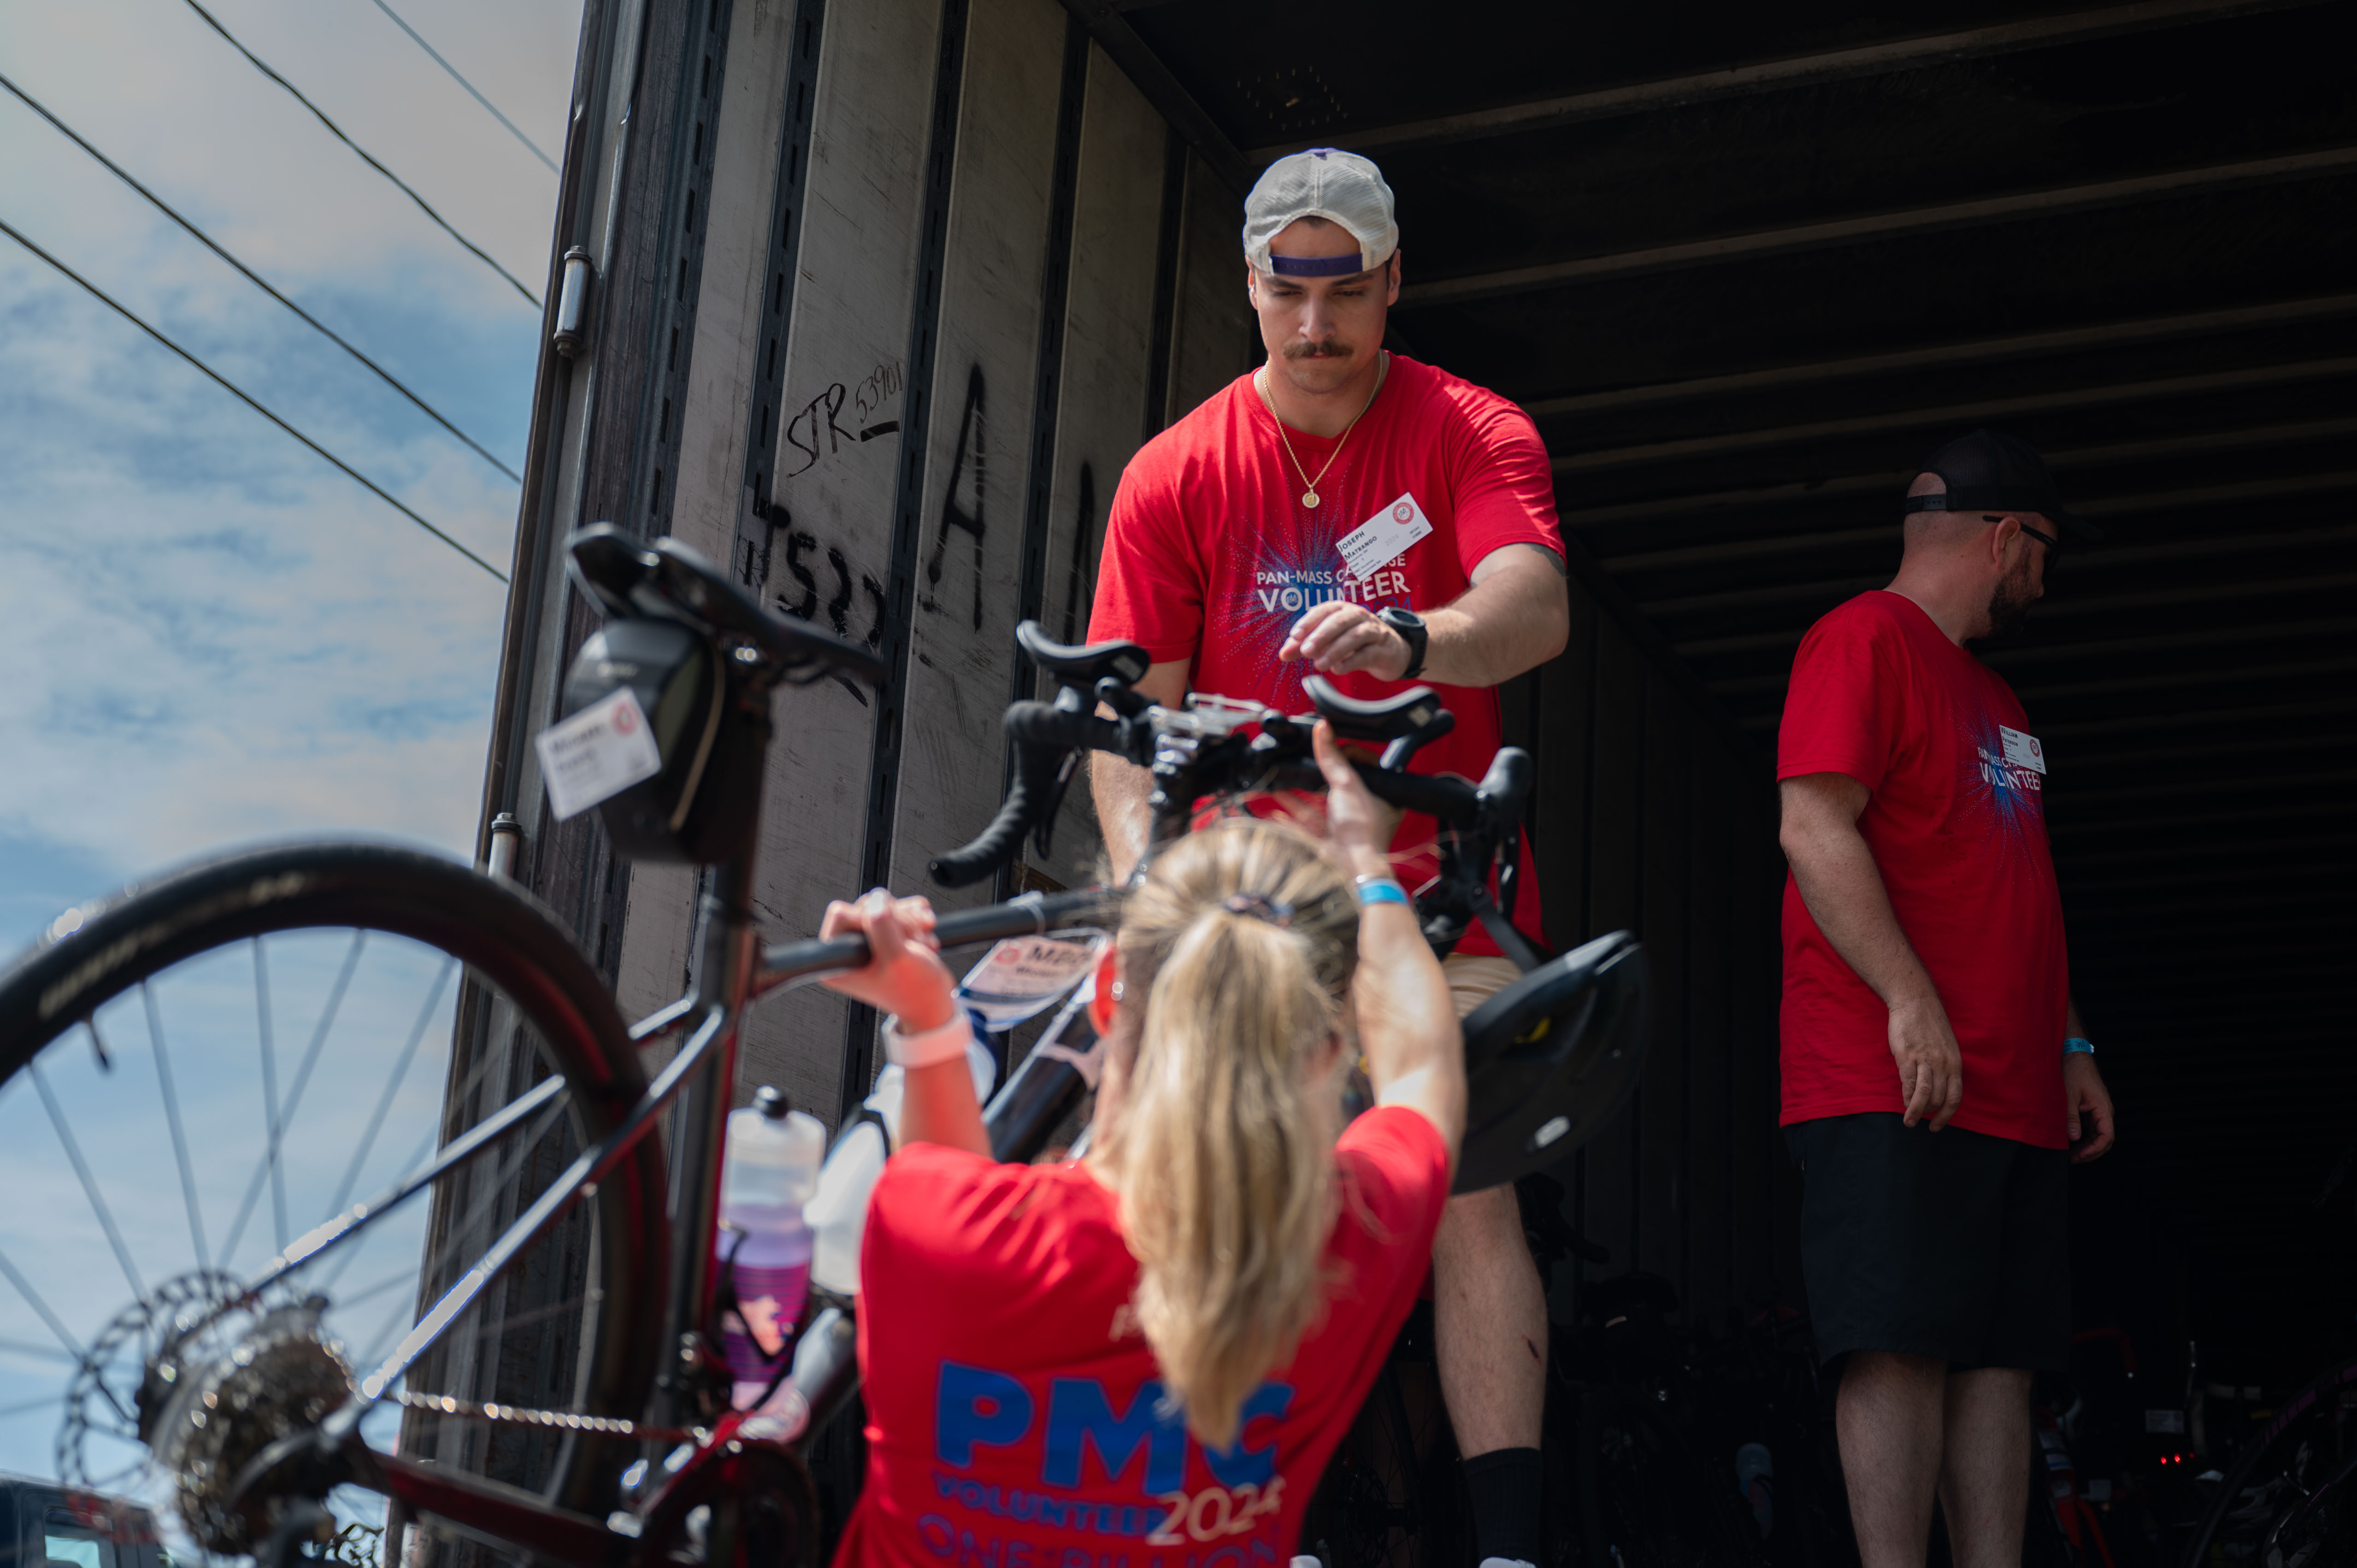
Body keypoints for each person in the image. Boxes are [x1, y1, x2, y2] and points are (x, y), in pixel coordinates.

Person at [1085, 147, 1567, 1568]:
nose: (1315, 325)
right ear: (1249, 285)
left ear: (1393, 280)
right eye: (1288, 291)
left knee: (1469, 1186)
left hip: (1442, 892)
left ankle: (1508, 1549)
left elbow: (1530, 605)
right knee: (1253, 1188)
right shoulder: (1175, 471)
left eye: (1345, 289)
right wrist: (1143, 897)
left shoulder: (1471, 426)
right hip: (1251, 909)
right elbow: (1129, 720)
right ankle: (1262, 1529)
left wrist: (1417, 637)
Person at [821, 721, 1464, 1566]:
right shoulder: (1346, 1250)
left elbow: (951, 1190)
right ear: (1329, 1053)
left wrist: (929, 1020)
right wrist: (1369, 864)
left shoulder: (927, 1225)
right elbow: (1422, 1063)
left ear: (1103, 999)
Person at [1776, 429, 2120, 1567]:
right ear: (2007, 536)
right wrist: (1908, 998)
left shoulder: (2001, 696)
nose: (2041, 582)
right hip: (1893, 1071)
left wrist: (2070, 1037)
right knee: (1897, 1342)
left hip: (2013, 1079)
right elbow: (1812, 826)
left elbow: (2020, 880)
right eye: (2044, 556)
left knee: (2000, 1354)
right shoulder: (1860, 637)